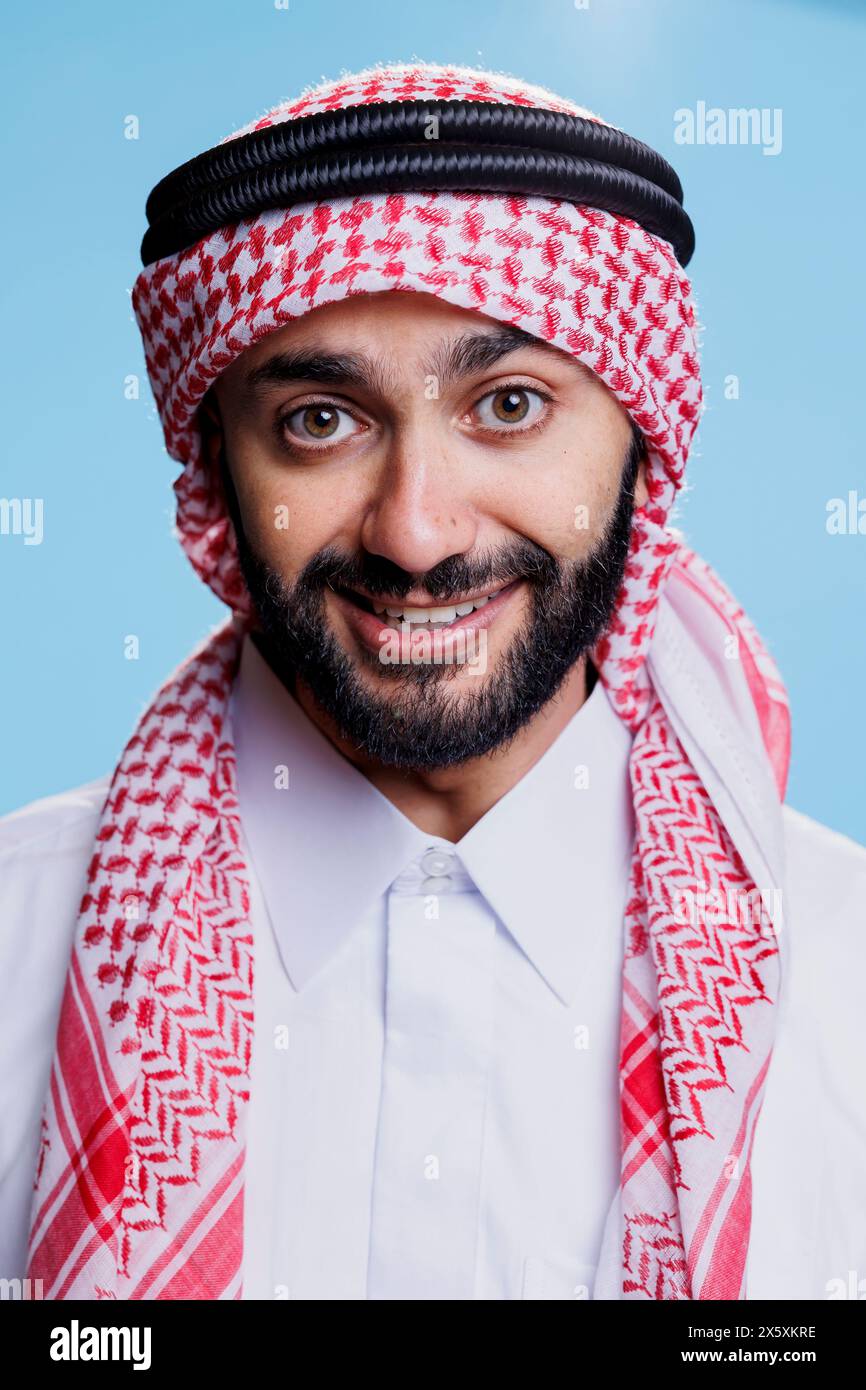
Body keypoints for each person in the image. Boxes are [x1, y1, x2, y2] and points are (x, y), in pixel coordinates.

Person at [1, 61, 864, 1302]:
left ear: (639, 440)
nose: (415, 533)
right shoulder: (16, 942)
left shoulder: (839, 971)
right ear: (217, 468)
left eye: (508, 404)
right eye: (317, 421)